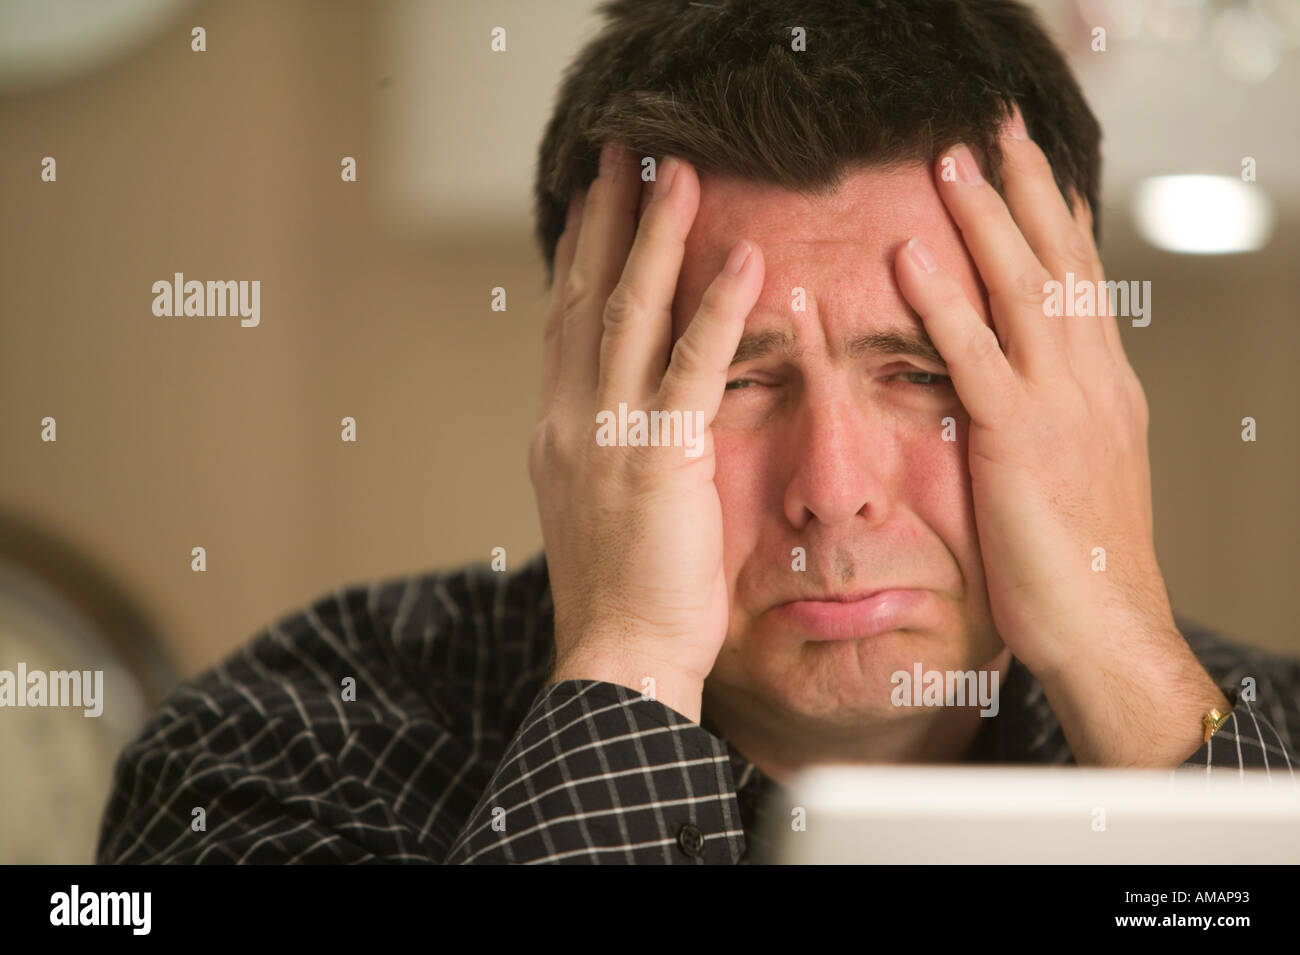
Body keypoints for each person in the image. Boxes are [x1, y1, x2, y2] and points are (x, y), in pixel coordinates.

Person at [98, 0, 1299, 865]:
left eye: (923, 371)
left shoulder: (1274, 728)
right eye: (729, 379)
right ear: (585, 396)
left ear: (1084, 382)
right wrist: (629, 661)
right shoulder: (272, 756)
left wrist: (1122, 658)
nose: (832, 489)